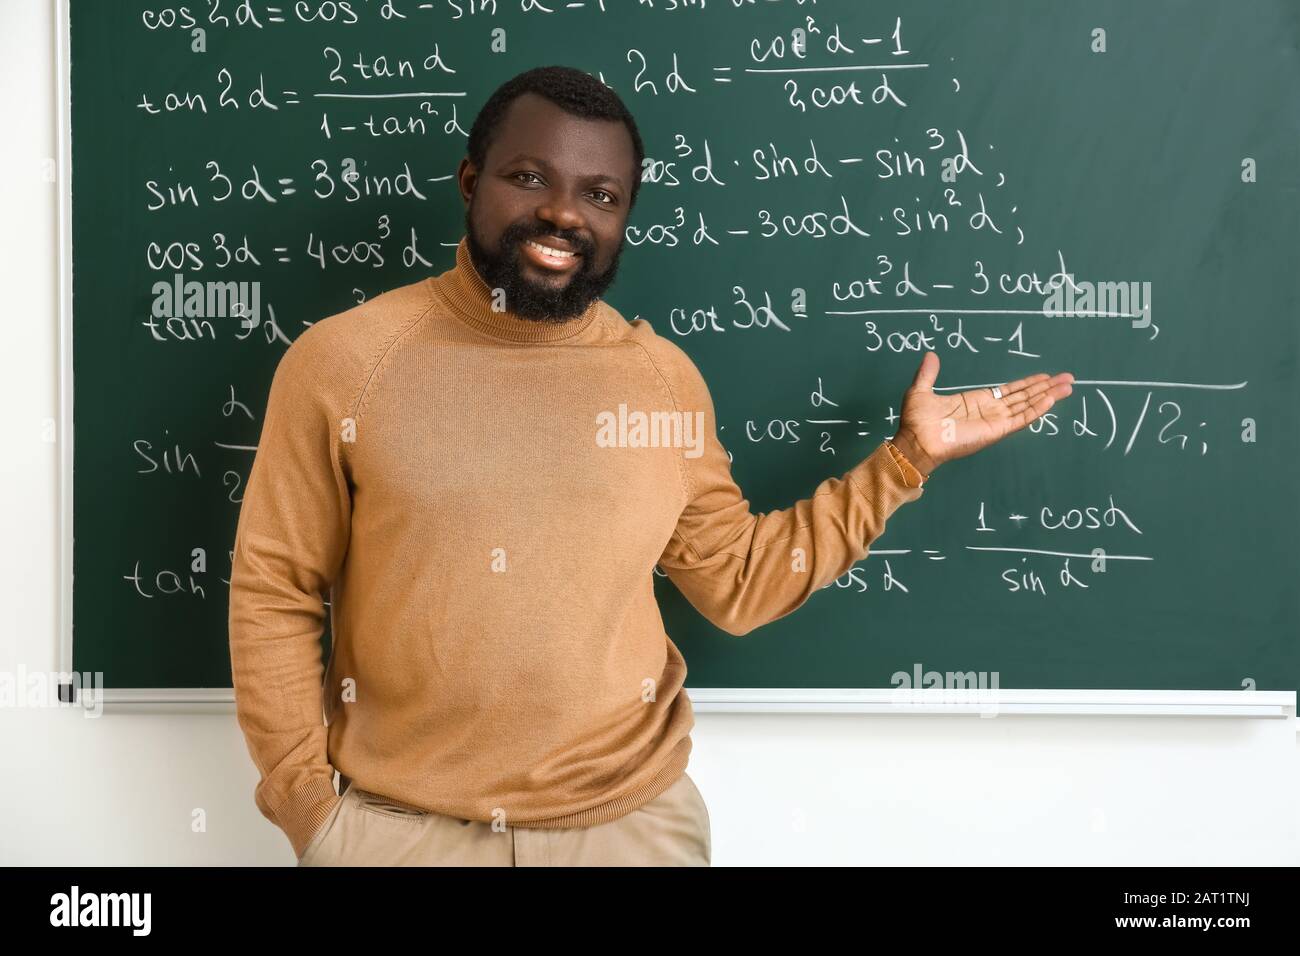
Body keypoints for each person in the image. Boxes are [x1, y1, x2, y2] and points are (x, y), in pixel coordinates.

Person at [227, 65, 1073, 867]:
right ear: (470, 180)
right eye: (529, 177)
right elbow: (275, 588)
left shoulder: (659, 382)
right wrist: (312, 812)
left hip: (628, 831)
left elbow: (737, 584)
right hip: (400, 834)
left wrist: (905, 461)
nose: (563, 214)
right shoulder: (344, 364)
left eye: (600, 195)